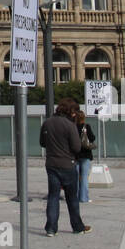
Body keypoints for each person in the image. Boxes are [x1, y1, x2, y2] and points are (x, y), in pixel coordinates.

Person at [40, 99, 90, 236]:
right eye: (74, 112)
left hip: (51, 164)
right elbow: (76, 147)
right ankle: (77, 226)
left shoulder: (47, 123)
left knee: (53, 196)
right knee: (71, 198)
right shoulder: (69, 125)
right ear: (71, 111)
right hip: (68, 164)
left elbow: (42, 142)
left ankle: (51, 228)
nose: (75, 115)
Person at [72, 103, 96, 204]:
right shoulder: (87, 126)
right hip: (85, 154)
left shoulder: (72, 127)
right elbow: (92, 138)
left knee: (76, 177)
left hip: (75, 154)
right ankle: (84, 198)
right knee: (85, 177)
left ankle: (75, 197)